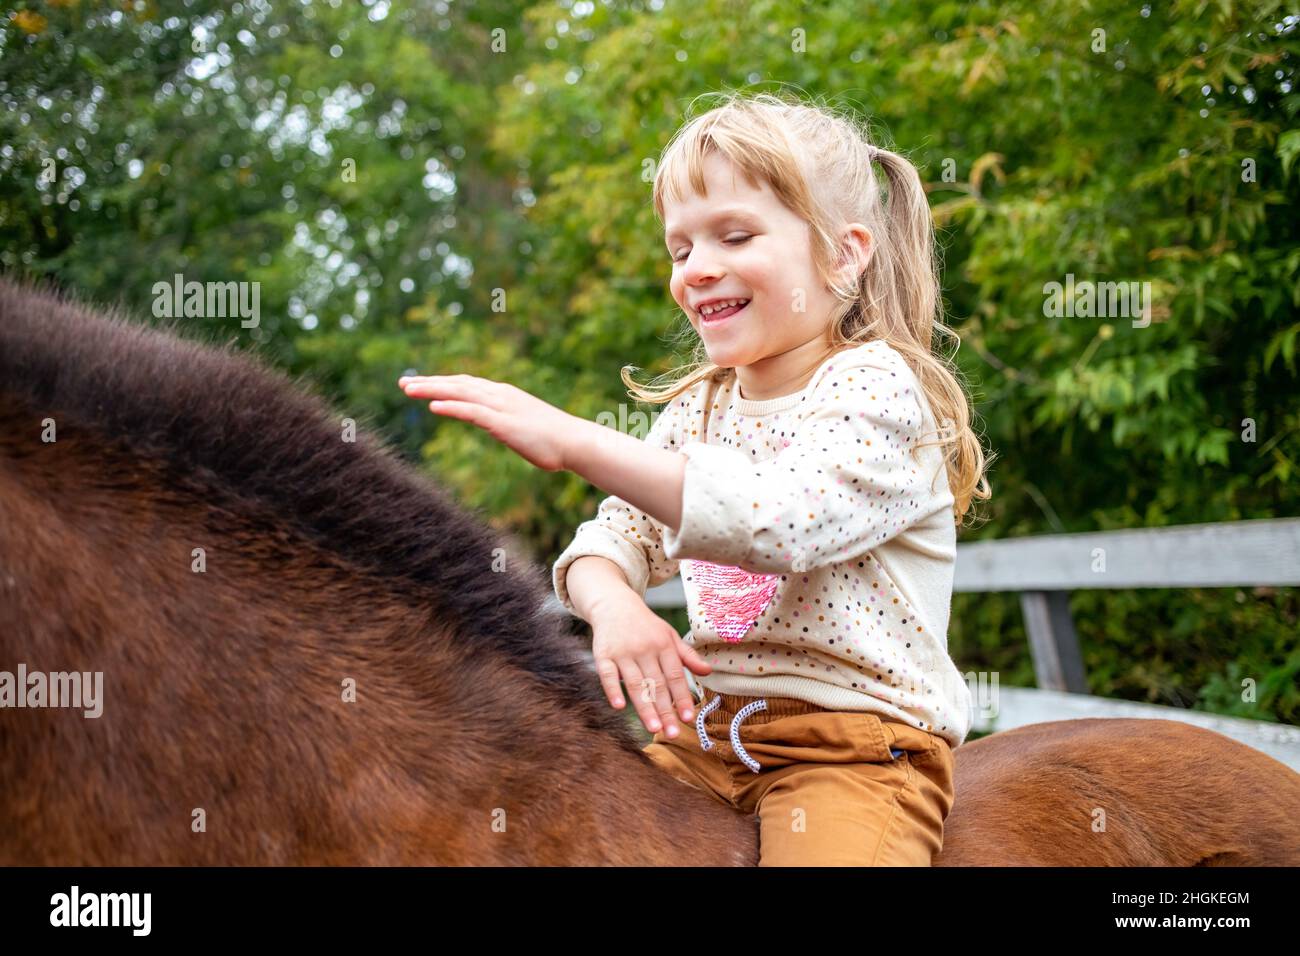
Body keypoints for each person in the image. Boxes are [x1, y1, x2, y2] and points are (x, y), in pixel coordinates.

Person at [399, 90, 994, 866]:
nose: (698, 269)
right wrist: (614, 607)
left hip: (851, 754)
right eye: (680, 250)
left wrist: (575, 441)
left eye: (735, 236)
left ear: (844, 254)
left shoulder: (874, 392)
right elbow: (604, 542)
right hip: (702, 743)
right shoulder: (699, 410)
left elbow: (777, 524)